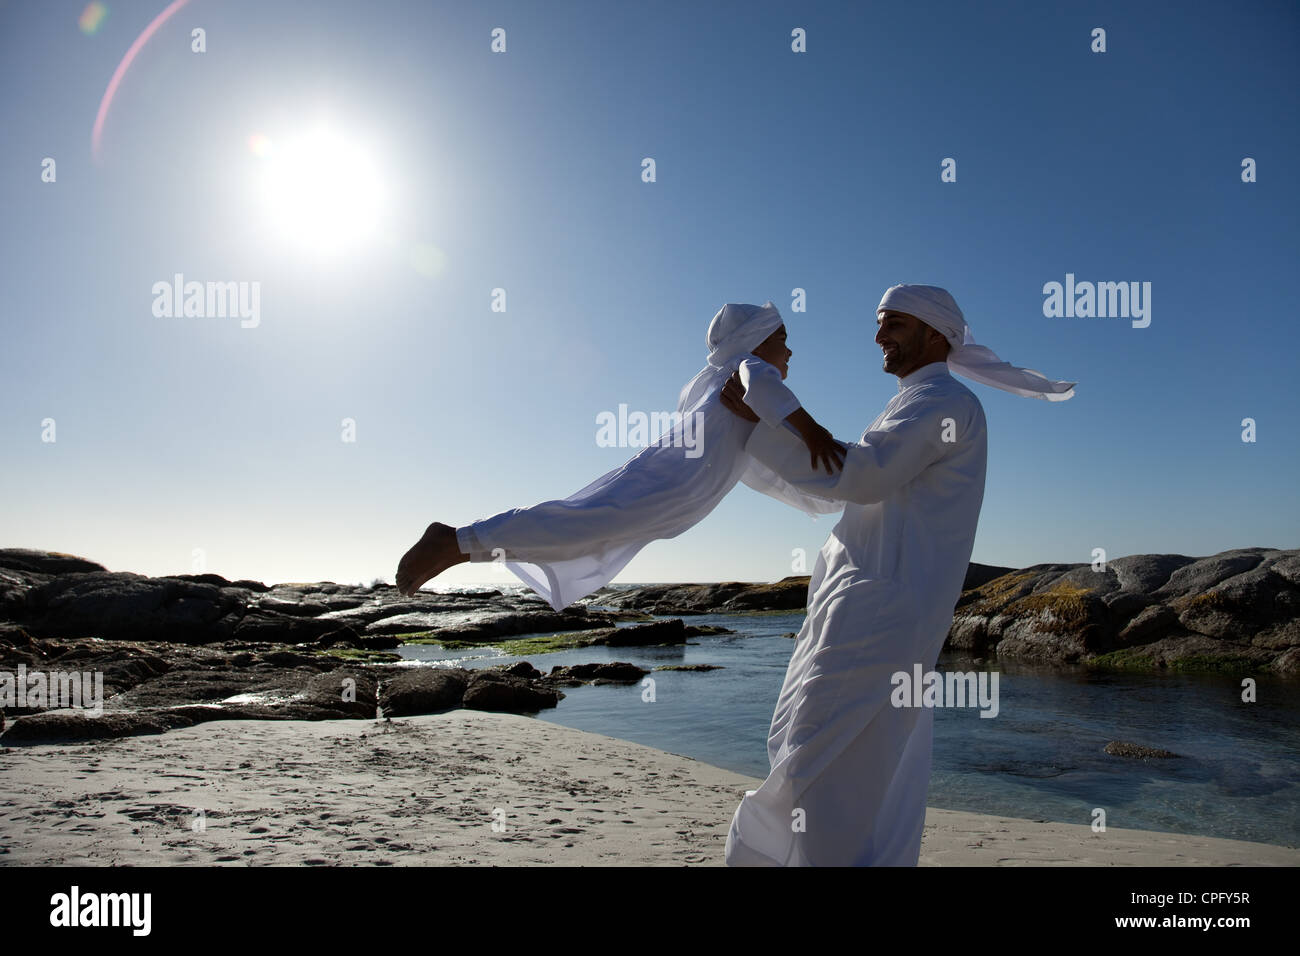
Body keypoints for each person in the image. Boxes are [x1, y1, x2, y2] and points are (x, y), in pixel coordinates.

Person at [718, 283, 1076, 867]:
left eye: (893, 323)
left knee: (819, 767)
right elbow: (847, 477)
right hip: (867, 611)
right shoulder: (916, 400)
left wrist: (758, 426)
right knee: (842, 764)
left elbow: (860, 476)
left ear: (935, 333)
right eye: (879, 322)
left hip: (877, 616)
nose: (879, 334)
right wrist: (764, 431)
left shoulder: (942, 404)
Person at [394, 302, 847, 607]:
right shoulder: (748, 368)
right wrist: (816, 433)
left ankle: (466, 546)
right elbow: (764, 390)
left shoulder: (725, 382)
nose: (790, 348)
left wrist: (827, 484)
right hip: (668, 482)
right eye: (782, 337)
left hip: (674, 493)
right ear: (754, 341)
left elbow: (770, 459)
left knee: (587, 535)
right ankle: (454, 540)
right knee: (581, 522)